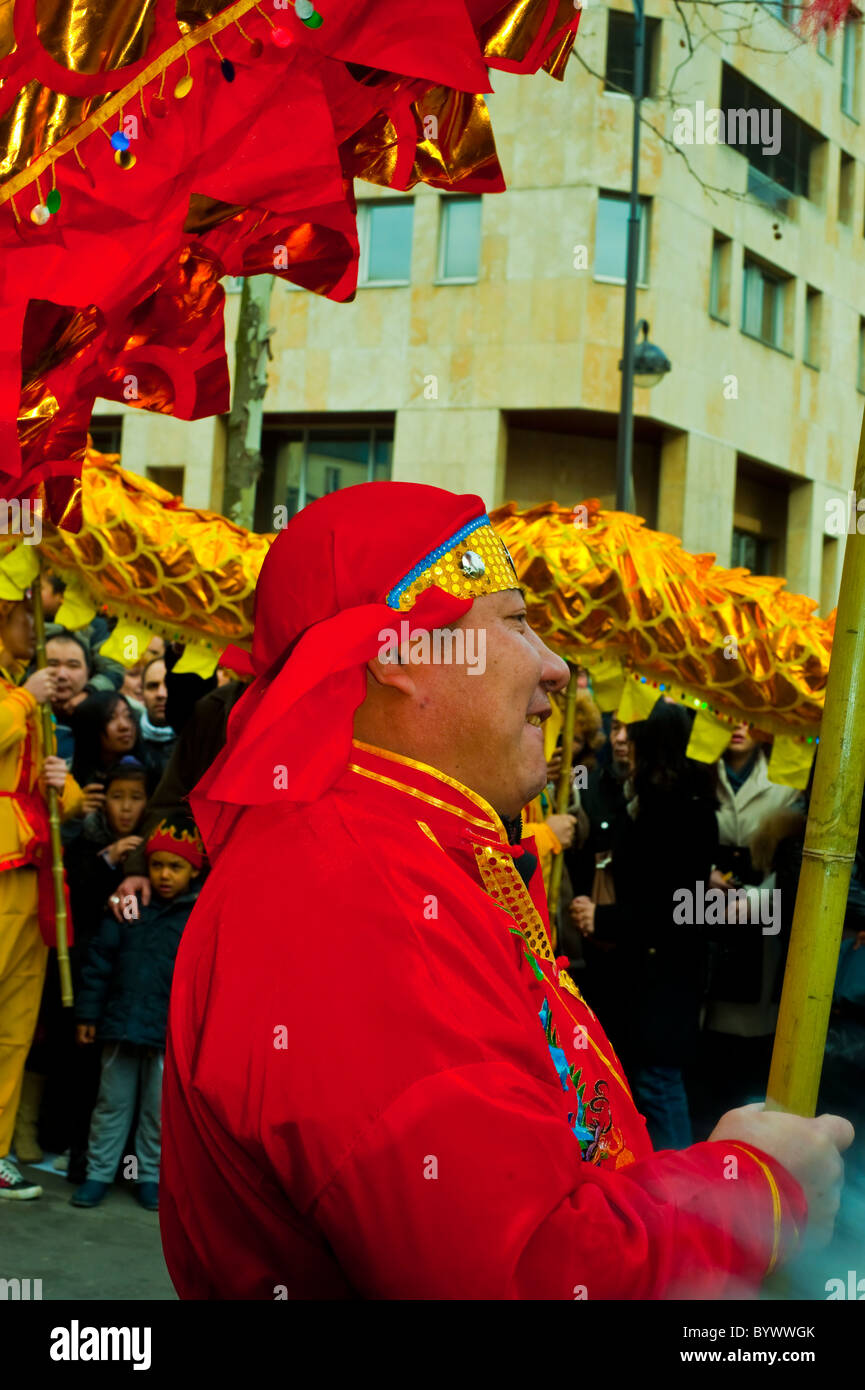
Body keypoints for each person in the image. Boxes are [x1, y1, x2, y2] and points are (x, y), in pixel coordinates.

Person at [160, 483, 852, 1300]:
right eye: (516, 621)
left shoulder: (393, 852)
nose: (555, 666)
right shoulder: (352, 894)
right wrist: (750, 1191)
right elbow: (517, 1273)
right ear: (400, 653)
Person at [569, 703, 719, 1150]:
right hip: (651, 983)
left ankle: (683, 1199)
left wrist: (606, 917)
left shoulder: (673, 810)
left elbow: (668, 907)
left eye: (633, 733)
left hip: (661, 983)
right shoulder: (674, 801)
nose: (622, 741)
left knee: (657, 1086)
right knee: (648, 1084)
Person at [70, 817, 203, 1212]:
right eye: (157, 864)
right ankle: (98, 1174)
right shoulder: (129, 907)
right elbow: (99, 964)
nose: (164, 874)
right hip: (120, 1025)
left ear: (195, 870)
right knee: (111, 1105)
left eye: (175, 866)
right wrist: (88, 1017)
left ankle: (149, 1178)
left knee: (157, 1112)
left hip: (166, 1034)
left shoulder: (197, 917)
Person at [0, 599, 85, 1200]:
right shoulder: (19, 695)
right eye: (27, 617)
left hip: (33, 873)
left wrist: (68, 789)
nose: (37, 625)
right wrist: (28, 698)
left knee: (15, 1026)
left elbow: (57, 794)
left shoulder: (26, 695)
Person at [30, 758, 150, 1183]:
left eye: (135, 799)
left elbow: (134, 922)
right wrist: (105, 861)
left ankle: (123, 1166)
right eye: (117, 797)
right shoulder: (88, 842)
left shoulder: (151, 856)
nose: (125, 808)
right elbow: (74, 897)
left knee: (117, 1084)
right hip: (84, 975)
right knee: (76, 1068)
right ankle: (66, 1148)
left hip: (126, 983)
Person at [137, 657, 177, 781]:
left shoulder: (198, 741)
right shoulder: (127, 739)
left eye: (170, 685)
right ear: (141, 693)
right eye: (153, 686)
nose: (161, 694)